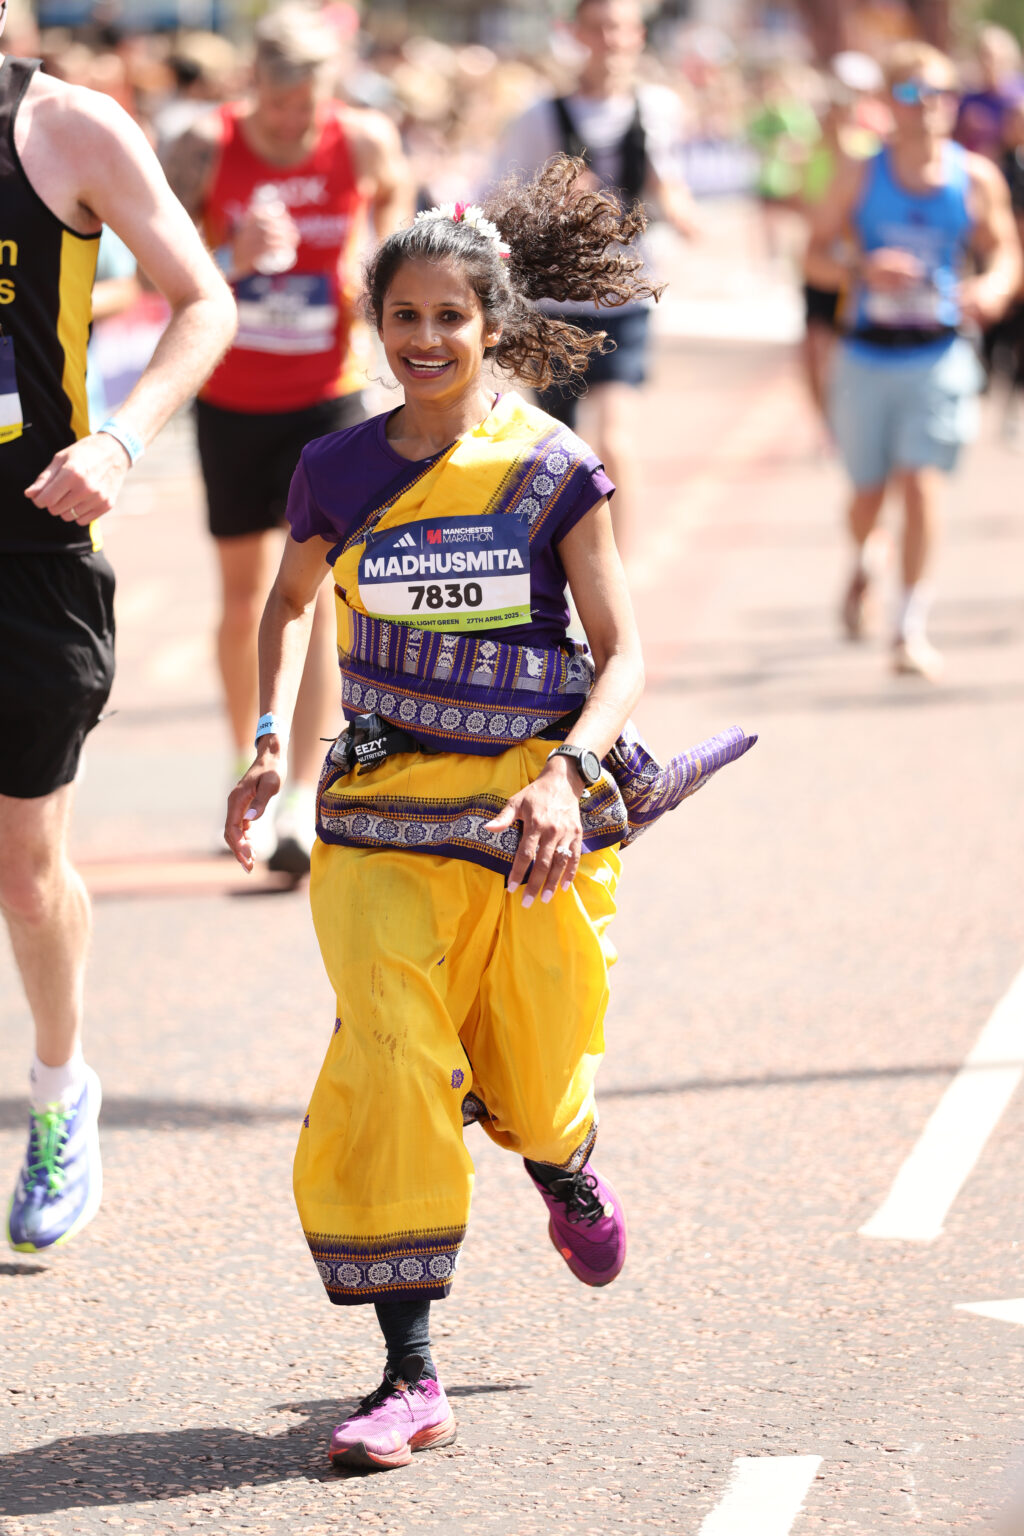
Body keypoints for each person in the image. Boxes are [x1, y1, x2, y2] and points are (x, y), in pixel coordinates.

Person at [225, 154, 753, 1472]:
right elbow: (286, 609)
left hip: (533, 820)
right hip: (382, 819)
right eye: (403, 317)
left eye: (449, 318)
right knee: (392, 1056)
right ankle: (409, 1371)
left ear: (494, 325)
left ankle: (561, 1159)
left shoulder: (552, 466)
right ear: (376, 324)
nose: (425, 339)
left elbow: (622, 651)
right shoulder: (338, 469)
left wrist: (570, 776)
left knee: (530, 1068)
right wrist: (262, 747)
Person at [1, 18, 236, 1251]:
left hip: (28, 549)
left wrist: (120, 441)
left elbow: (204, 301)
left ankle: (57, 1090)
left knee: (25, 875)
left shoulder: (68, 129)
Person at [166, 5, 408, 874]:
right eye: (279, 108)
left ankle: (305, 793)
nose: (294, 123)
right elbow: (162, 263)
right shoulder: (204, 144)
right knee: (242, 600)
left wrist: (365, 278)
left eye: (308, 107)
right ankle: (246, 764)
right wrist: (231, 252)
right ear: (253, 87)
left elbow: (400, 231)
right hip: (233, 396)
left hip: (326, 398)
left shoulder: (365, 142)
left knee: (315, 595)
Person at [805, 41, 1020, 680]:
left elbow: (1007, 252)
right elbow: (814, 255)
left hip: (940, 352)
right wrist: (861, 267)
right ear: (889, 104)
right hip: (867, 355)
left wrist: (993, 288)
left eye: (941, 94)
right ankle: (866, 555)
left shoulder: (975, 177)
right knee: (867, 497)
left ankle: (908, 626)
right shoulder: (858, 177)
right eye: (912, 93)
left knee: (923, 486)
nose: (928, 106)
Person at [490, 0, 698, 556]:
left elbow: (669, 182)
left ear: (637, 38)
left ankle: (617, 567)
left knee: (614, 436)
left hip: (623, 294)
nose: (611, 41)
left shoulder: (656, 108)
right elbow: (500, 197)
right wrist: (556, 198)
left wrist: (679, 210)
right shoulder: (541, 117)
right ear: (577, 34)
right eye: (600, 28)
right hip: (554, 300)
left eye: (622, 29)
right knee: (555, 444)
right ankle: (555, 557)